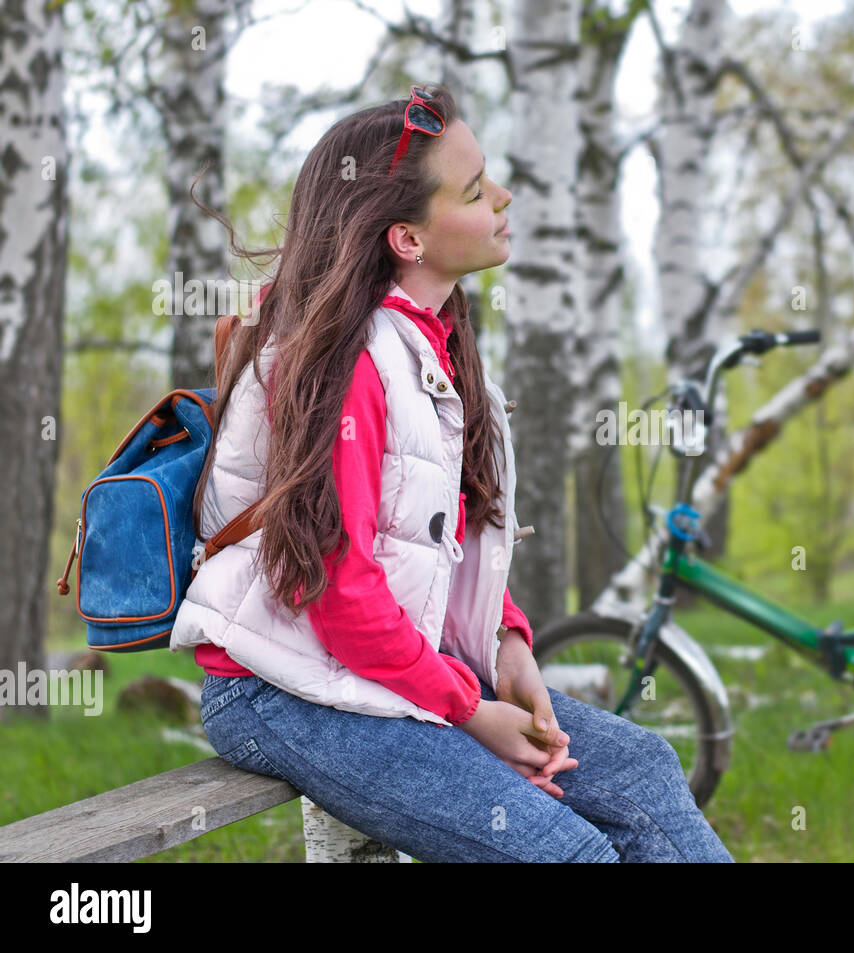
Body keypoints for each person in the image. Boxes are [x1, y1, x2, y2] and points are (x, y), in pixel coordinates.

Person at [171, 84, 733, 863]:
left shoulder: (431, 339)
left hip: (376, 662)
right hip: (277, 685)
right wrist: (469, 710)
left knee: (644, 769)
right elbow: (338, 592)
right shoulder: (346, 364)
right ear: (407, 237)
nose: (503, 197)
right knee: (566, 853)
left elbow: (439, 537)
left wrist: (508, 647)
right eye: (473, 191)